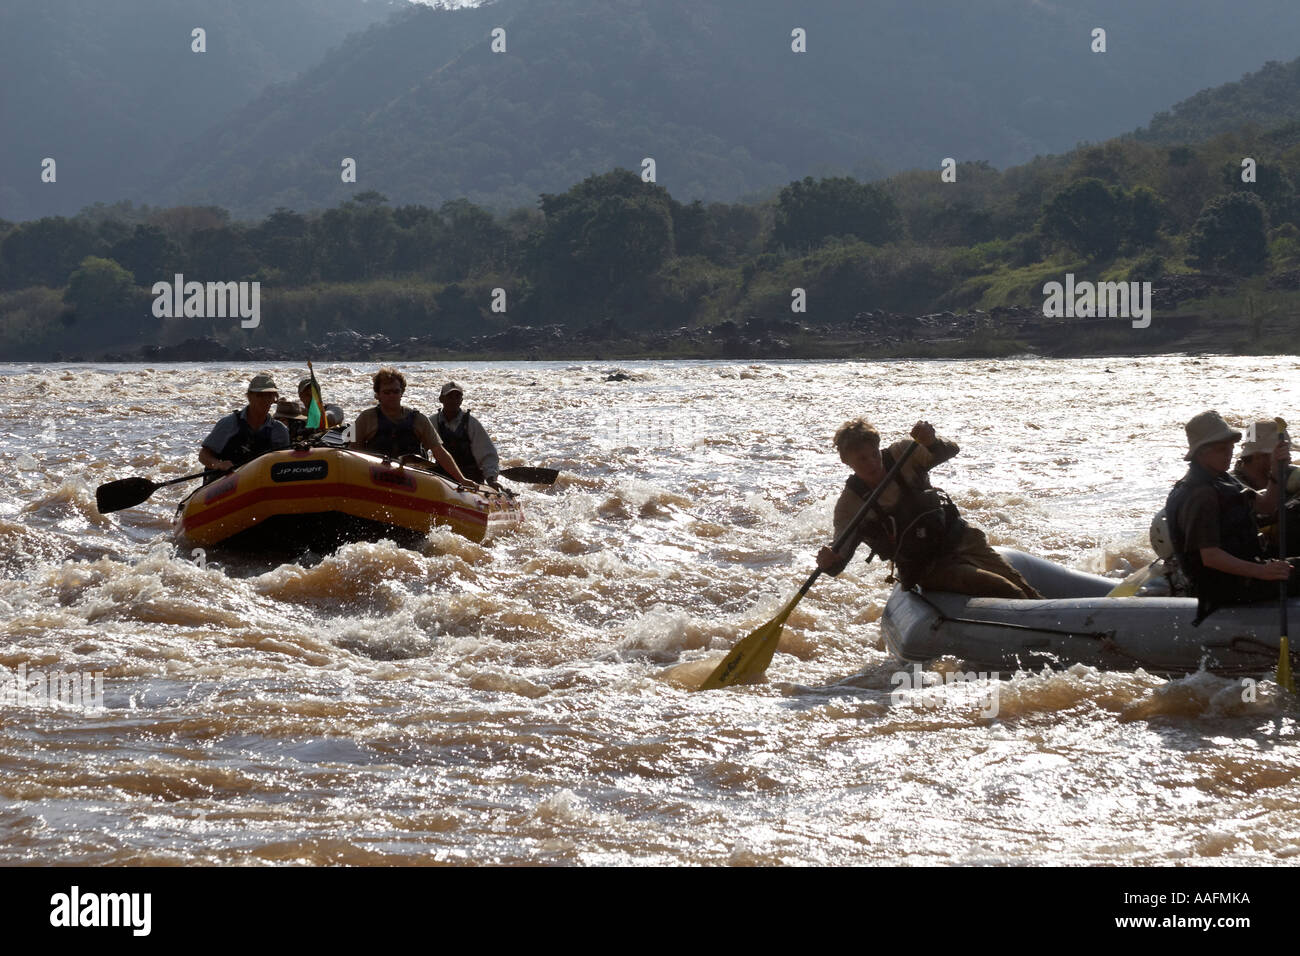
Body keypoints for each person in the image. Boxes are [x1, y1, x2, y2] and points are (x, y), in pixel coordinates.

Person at [815, 419, 1041, 598]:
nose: (873, 463)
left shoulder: (903, 453)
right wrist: (829, 561)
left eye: (874, 454)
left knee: (1022, 588)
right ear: (846, 461)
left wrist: (931, 441)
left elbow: (950, 450)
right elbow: (838, 562)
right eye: (862, 459)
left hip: (960, 538)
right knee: (1007, 590)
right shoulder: (849, 506)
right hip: (927, 567)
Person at [1164, 410, 1294, 619]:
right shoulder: (1200, 493)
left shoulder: (1224, 479)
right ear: (1200, 452)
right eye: (1220, 449)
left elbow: (1267, 506)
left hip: (1248, 573)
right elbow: (1211, 557)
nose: (1228, 454)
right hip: (1226, 588)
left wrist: (1276, 472)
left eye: (1230, 448)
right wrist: (1263, 572)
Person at [350, 367, 472, 484]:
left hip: (412, 481)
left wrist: (461, 479)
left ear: (402, 392)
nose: (392, 395)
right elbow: (352, 452)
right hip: (375, 476)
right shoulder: (365, 418)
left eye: (396, 391)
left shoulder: (419, 419)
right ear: (378, 394)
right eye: (387, 392)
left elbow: (439, 451)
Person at [1232, 418, 1300, 556]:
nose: (1288, 459)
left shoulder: (1290, 473)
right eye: (1279, 454)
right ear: (1257, 456)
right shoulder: (1232, 485)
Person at [199, 373, 291, 475]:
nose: (265, 400)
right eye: (260, 395)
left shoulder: (280, 430)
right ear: (249, 397)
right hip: (226, 481)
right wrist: (218, 464)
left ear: (274, 399)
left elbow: (284, 464)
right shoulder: (228, 423)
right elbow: (203, 455)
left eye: (269, 396)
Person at [435, 381, 501, 489]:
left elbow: (488, 455)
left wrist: (491, 478)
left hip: (471, 478)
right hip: (443, 478)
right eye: (450, 397)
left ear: (461, 400)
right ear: (441, 399)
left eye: (457, 397)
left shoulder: (472, 423)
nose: (454, 400)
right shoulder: (432, 422)